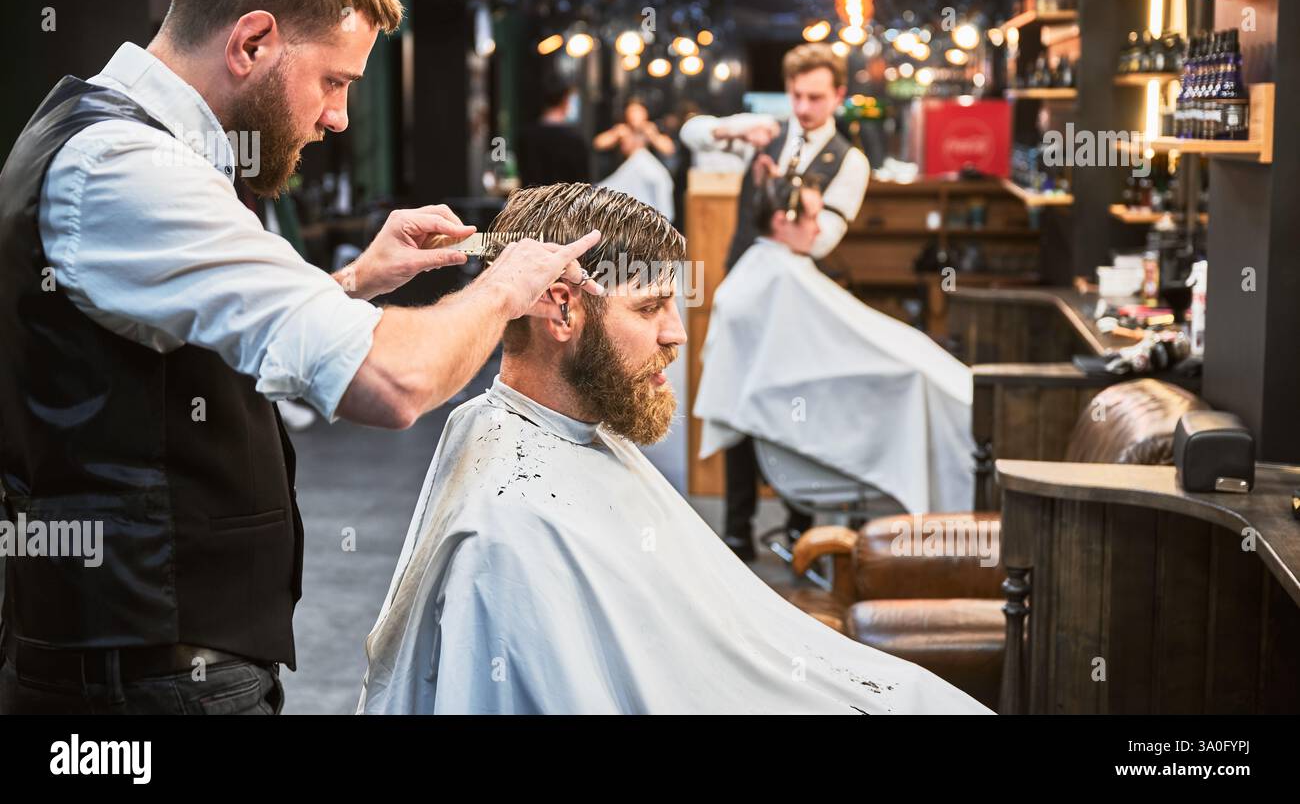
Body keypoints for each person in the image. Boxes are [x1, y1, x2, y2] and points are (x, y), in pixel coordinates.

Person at [0, 0, 600, 715]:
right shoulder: (123, 168)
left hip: (156, 663)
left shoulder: (117, 139)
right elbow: (391, 385)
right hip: (144, 681)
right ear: (252, 41)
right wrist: (503, 287)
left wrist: (353, 282)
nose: (337, 115)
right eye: (334, 80)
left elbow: (172, 324)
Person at [356, 183, 990, 715]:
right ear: (561, 310)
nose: (678, 335)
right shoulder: (511, 521)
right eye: (650, 306)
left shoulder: (551, 435)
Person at [680, 43, 870, 560]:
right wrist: (732, 128)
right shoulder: (764, 134)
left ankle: (798, 527)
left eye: (815, 97)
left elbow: (821, 239)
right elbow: (690, 135)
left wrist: (783, 195)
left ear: (838, 96)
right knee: (738, 401)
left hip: (800, 305)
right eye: (796, 95)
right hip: (746, 290)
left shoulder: (850, 162)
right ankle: (737, 528)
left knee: (795, 406)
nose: (803, 108)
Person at [694, 174, 975, 516]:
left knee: (927, 372)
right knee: (930, 386)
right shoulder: (775, 276)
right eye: (812, 217)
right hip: (807, 414)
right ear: (782, 221)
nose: (819, 229)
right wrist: (905, 366)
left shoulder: (777, 269)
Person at [515, 75, 590, 187]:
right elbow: (583, 185)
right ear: (565, 100)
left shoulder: (525, 137)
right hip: (566, 204)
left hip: (532, 203)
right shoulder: (575, 140)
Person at [593, 97, 676, 161]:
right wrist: (615, 134)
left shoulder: (651, 130)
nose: (634, 115)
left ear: (645, 113)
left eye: (638, 111)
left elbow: (670, 150)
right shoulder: (622, 130)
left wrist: (653, 136)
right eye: (631, 111)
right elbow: (598, 144)